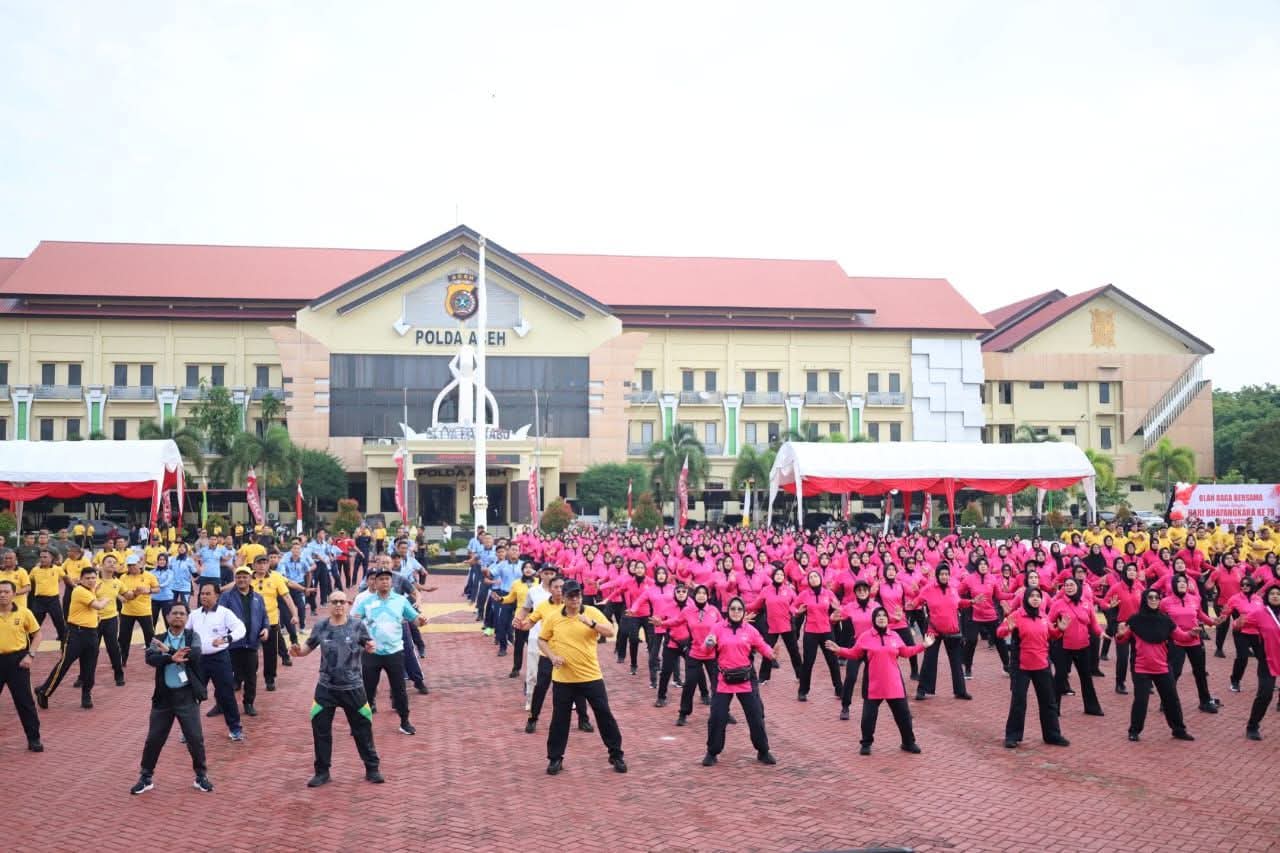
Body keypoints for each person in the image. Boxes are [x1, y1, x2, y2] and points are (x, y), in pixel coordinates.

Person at [291, 590, 384, 786]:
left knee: (363, 729)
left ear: (347, 604)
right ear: (329, 605)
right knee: (320, 729)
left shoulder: (357, 626)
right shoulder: (321, 626)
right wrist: (298, 652)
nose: (338, 605)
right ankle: (322, 772)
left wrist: (370, 646)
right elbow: (307, 648)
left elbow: (368, 643)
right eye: (334, 602)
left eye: (342, 601)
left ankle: (372, 768)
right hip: (326, 688)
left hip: (354, 688)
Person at [538, 580, 626, 775]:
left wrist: (592, 624)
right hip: (563, 679)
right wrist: (552, 657)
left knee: (604, 715)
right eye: (571, 596)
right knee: (560, 719)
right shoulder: (554, 617)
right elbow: (542, 640)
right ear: (564, 598)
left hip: (591, 676)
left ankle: (616, 754)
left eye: (578, 595)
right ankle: (555, 758)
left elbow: (611, 631)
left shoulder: (591, 612)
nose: (575, 599)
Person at [130, 602, 212, 794]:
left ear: (187, 617)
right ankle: (146, 777)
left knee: (195, 738)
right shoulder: (157, 638)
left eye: (182, 613)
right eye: (174, 613)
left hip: (187, 696)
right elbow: (150, 658)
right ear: (167, 617)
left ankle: (201, 776)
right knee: (154, 739)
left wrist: (166, 652)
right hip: (163, 698)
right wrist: (171, 656)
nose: (178, 616)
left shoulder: (193, 637)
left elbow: (195, 655)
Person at [826, 606, 929, 755]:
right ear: (873, 620)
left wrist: (923, 646)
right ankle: (866, 744)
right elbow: (855, 653)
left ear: (888, 619)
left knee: (904, 716)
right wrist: (839, 650)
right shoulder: (865, 636)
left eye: (884, 616)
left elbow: (906, 652)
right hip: (873, 684)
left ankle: (908, 742)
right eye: (878, 616)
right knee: (868, 717)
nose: (881, 618)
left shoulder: (894, 636)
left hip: (894, 684)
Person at [351, 568, 428, 736]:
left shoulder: (401, 600)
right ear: (375, 583)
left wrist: (421, 621)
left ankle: (404, 721)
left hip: (395, 652)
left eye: (387, 579)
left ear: (391, 582)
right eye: (381, 579)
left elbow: (415, 620)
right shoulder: (366, 602)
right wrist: (362, 642)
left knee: (399, 689)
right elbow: (354, 624)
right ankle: (361, 724)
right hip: (372, 653)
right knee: (367, 691)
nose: (384, 581)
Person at [701, 596, 777, 766]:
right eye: (733, 609)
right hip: (723, 679)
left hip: (746, 679)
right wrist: (708, 643)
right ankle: (712, 752)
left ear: (744, 612)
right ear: (728, 611)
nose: (736, 612)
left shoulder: (750, 630)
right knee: (717, 717)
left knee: (756, 716)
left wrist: (771, 654)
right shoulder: (718, 628)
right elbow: (705, 650)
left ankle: (763, 750)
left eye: (739, 609)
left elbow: (762, 645)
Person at [1115, 589, 1196, 742]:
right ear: (1145, 600)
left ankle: (1178, 730)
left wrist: (1191, 634)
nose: (1153, 600)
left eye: (1156, 597)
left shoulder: (1166, 620)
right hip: (1141, 667)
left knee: (1171, 699)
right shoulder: (1135, 620)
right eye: (1150, 597)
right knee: (1141, 701)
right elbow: (1123, 639)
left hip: (1162, 667)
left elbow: (1181, 636)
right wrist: (1119, 635)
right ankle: (1134, 731)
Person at [998, 587, 1071, 749]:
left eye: (1038, 596)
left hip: (1042, 664)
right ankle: (1012, 736)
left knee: (1049, 701)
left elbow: (1052, 634)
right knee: (1019, 701)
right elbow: (999, 632)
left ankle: (1053, 735)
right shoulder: (1017, 615)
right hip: (1021, 666)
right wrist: (1007, 629)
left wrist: (1060, 630)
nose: (1036, 599)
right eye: (1032, 596)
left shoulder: (1043, 616)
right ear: (1026, 598)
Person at [36, 566, 111, 710]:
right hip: (76, 634)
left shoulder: (90, 591)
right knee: (64, 664)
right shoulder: (80, 591)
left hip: (91, 634)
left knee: (89, 667)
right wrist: (106, 599)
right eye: (87, 578)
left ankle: (86, 695)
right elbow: (98, 606)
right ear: (81, 579)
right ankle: (45, 692)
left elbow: (91, 610)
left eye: (93, 578)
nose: (91, 580)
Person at [187, 582, 247, 741]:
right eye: (202, 594)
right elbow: (185, 633)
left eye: (208, 593)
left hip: (220, 659)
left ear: (217, 595)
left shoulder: (224, 613)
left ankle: (235, 729)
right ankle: (188, 730)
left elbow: (241, 628)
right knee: (193, 695)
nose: (204, 597)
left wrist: (227, 638)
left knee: (226, 694)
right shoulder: (194, 615)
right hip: (198, 660)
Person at [911, 565, 972, 702]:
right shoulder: (928, 589)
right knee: (929, 660)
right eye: (942, 574)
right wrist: (908, 606)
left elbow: (959, 603)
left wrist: (971, 602)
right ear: (937, 575)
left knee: (956, 662)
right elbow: (917, 601)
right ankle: (922, 690)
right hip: (934, 630)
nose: (944, 576)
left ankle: (960, 691)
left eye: (946, 574)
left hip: (952, 630)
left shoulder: (953, 589)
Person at [1048, 577, 1105, 716]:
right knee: (1060, 677)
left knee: (1086, 677)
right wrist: (1055, 630)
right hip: (1063, 646)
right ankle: (1053, 709)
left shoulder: (1086, 603)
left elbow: (1093, 624)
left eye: (1071, 585)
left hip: (1083, 646)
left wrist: (1101, 633)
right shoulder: (1058, 604)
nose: (1069, 587)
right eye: (1066, 585)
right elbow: (1048, 622)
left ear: (1078, 587)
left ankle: (1092, 707)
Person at [218, 567, 269, 716]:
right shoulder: (227, 596)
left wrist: (266, 628)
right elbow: (220, 617)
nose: (241, 579)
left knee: (251, 676)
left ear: (250, 578)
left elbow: (264, 617)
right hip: (232, 644)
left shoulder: (258, 597)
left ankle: (248, 703)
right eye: (238, 577)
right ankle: (222, 704)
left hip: (251, 643)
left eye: (244, 577)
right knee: (225, 676)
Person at [0, 579, 43, 752]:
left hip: (17, 661)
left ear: (13, 593)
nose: (2, 595)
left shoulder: (24, 613)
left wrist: (30, 655)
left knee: (25, 702)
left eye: (6, 591)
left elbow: (37, 634)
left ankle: (34, 739)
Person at [1233, 584, 1280, 741]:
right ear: (1267, 597)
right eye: (1272, 594)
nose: (1275, 596)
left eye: (1278, 594)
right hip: (1269, 659)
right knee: (1265, 694)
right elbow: (1237, 625)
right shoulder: (1260, 613)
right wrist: (1239, 622)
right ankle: (1252, 726)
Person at [118, 554, 160, 669]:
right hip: (127, 611)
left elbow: (157, 588)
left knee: (149, 636)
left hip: (144, 611)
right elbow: (117, 590)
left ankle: (153, 658)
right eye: (129, 565)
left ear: (139, 564)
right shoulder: (123, 577)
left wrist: (149, 590)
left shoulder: (149, 576)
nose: (132, 568)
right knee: (123, 637)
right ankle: (122, 659)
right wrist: (120, 596)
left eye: (134, 565)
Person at [28, 548, 67, 644]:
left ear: (51, 558)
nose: (42, 559)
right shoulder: (35, 570)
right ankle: (28, 643)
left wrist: (74, 586)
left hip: (53, 600)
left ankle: (64, 641)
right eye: (41, 557)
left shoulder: (57, 569)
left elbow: (65, 578)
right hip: (39, 600)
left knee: (59, 622)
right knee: (34, 623)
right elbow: (30, 581)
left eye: (45, 557)